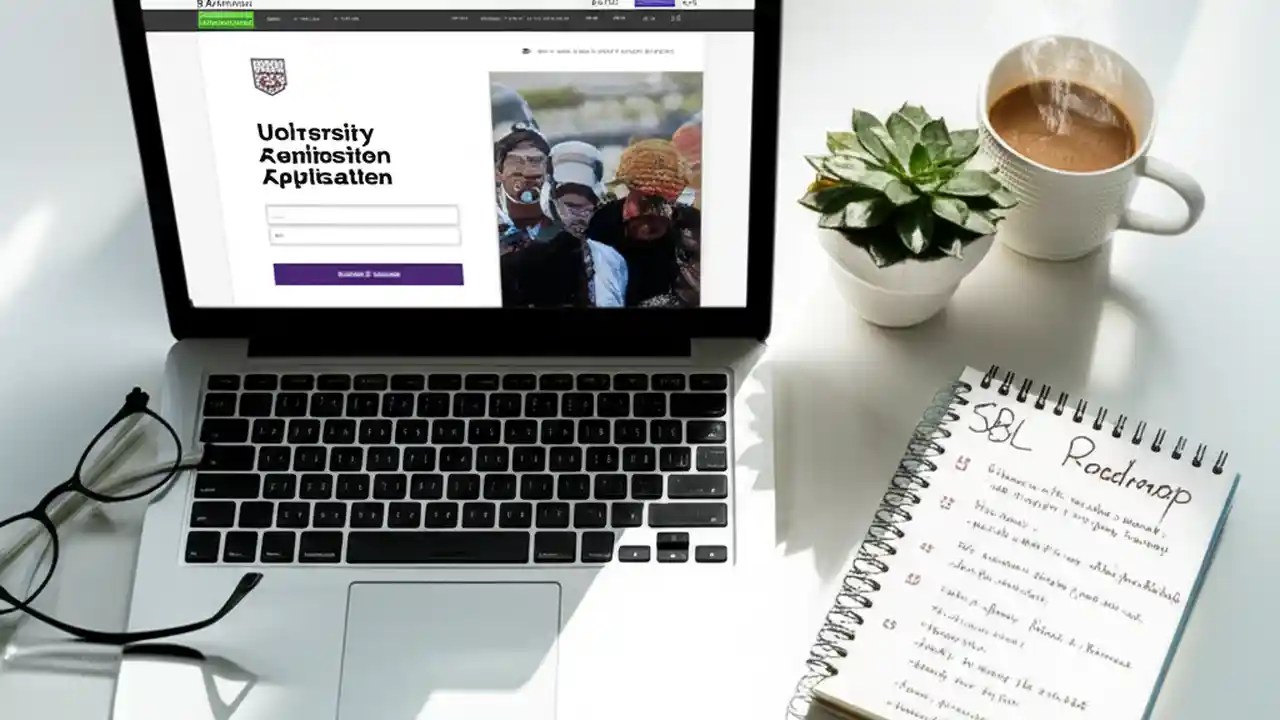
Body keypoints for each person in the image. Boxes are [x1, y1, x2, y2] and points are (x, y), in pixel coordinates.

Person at [500, 142, 628, 308]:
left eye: (586, 206)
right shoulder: (517, 259)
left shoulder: (612, 260)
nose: (579, 216)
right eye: (570, 205)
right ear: (550, 202)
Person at [587, 139, 699, 308]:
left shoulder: (690, 225)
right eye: (646, 199)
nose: (653, 211)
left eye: (661, 200)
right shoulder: (603, 220)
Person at [494, 123, 554, 254]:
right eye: (516, 162)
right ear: (498, 174)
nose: (527, 172)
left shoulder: (564, 221)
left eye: (536, 161)